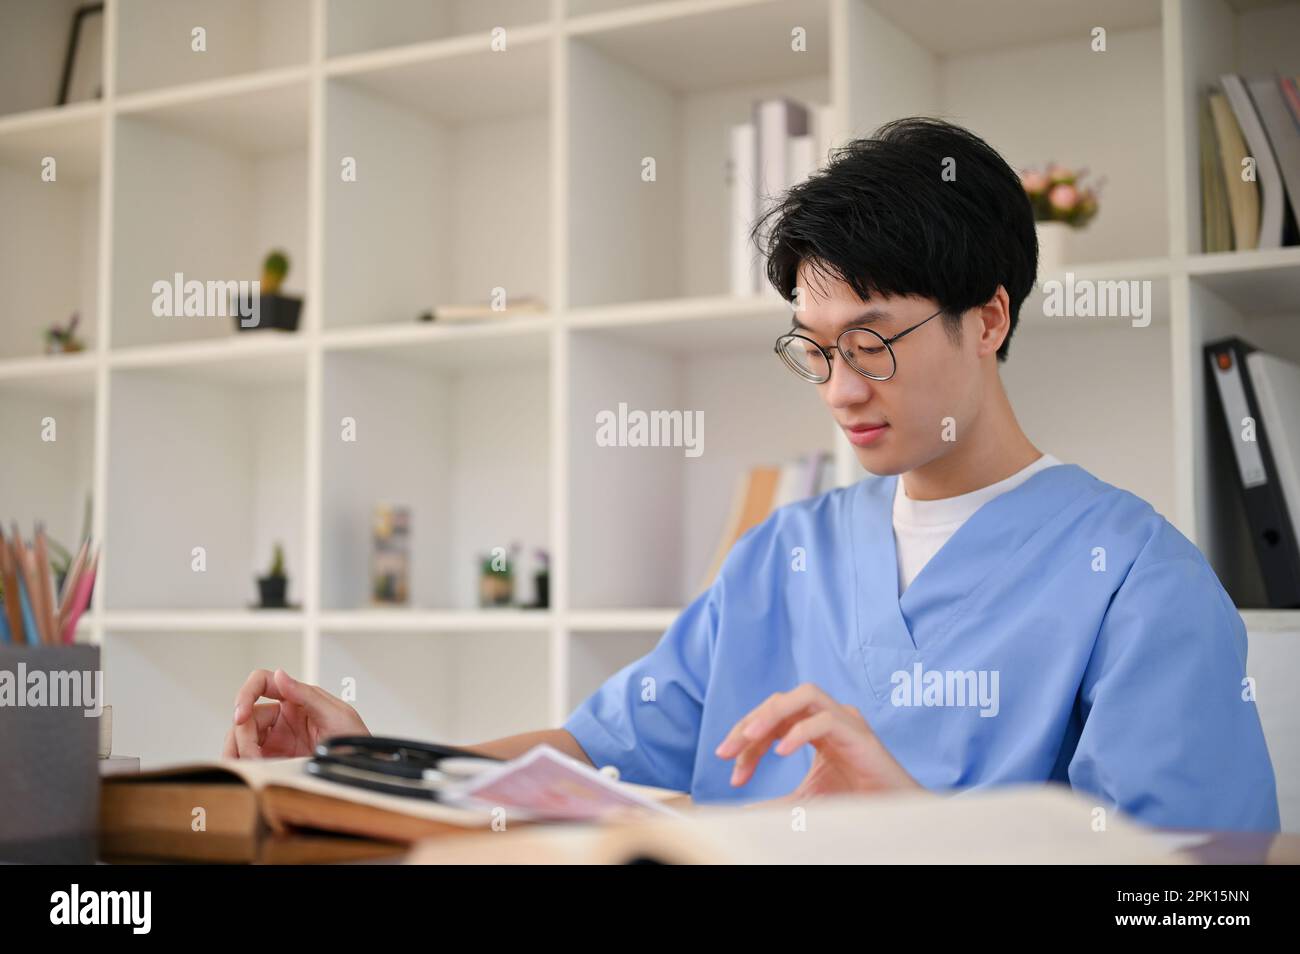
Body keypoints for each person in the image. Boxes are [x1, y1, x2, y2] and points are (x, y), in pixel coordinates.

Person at [225, 117, 1279, 832]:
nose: (838, 387)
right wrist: (380, 760)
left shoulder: (1138, 581)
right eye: (813, 349)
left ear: (989, 316)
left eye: (871, 343)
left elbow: (1193, 893)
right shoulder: (787, 554)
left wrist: (910, 824)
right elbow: (597, 751)